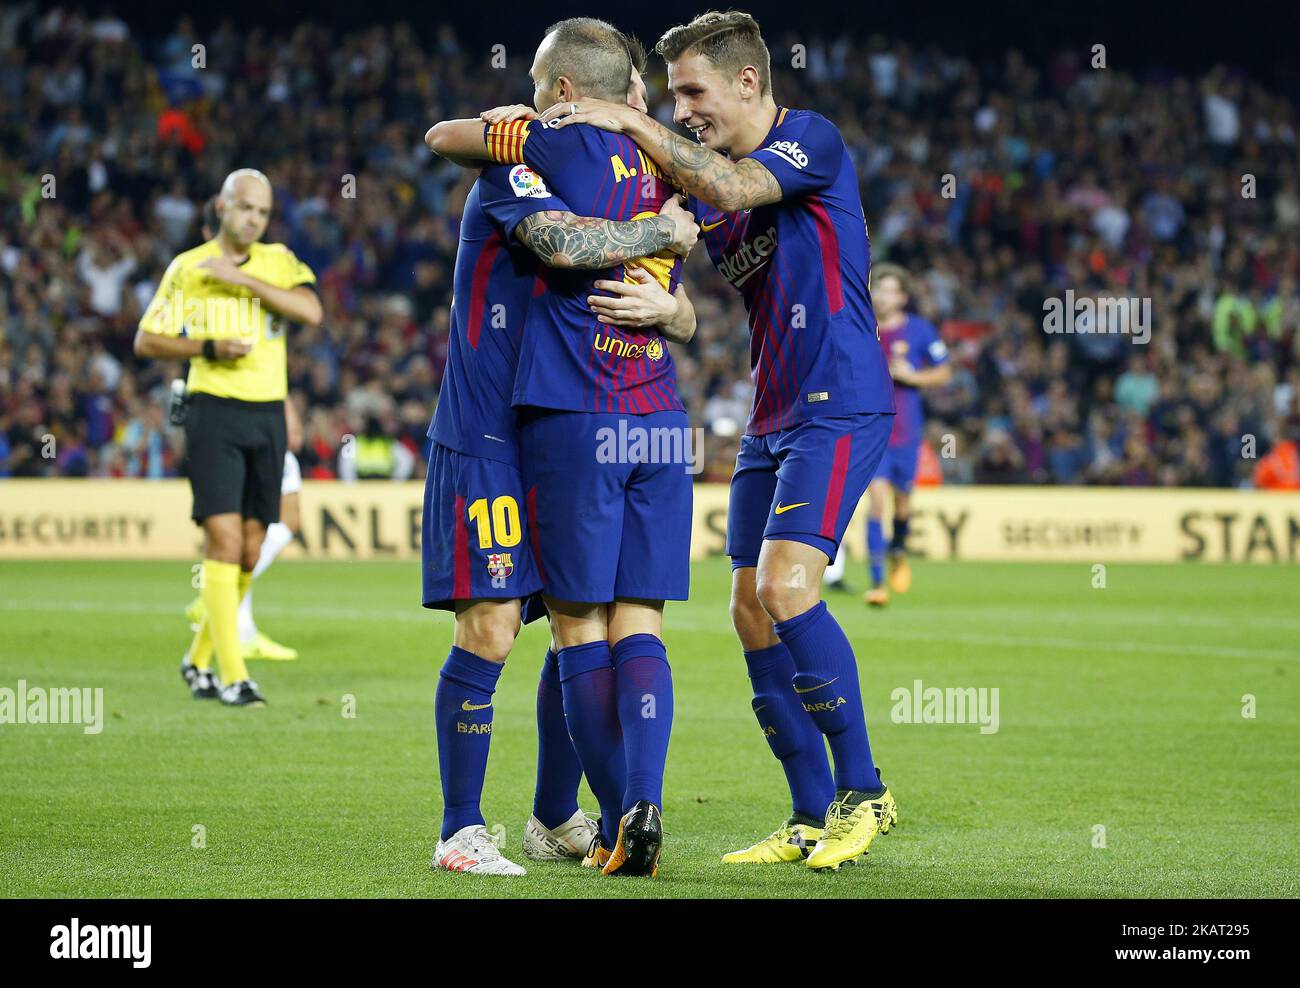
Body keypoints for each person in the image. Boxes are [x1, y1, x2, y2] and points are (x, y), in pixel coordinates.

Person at [542, 10, 899, 871]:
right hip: (773, 413)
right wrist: (672, 310)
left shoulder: (809, 140)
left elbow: (731, 193)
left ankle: (866, 791)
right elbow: (686, 276)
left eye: (692, 91)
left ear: (748, 82)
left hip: (840, 401)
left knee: (784, 587)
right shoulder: (712, 181)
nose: (683, 108)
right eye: (670, 95)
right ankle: (810, 814)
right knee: (747, 608)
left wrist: (629, 117)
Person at [426, 18, 699, 877]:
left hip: (554, 425)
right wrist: (664, 231)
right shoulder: (519, 158)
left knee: (570, 623)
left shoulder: (629, 162)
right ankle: (460, 829)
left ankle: (552, 815)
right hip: (485, 433)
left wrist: (680, 310)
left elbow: (667, 292)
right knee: (495, 627)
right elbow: (557, 241)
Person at [134, 169, 323, 707]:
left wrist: (242, 282)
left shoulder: (279, 262)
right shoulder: (187, 268)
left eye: (262, 213)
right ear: (222, 205)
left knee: (249, 549)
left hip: (266, 413)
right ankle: (233, 677)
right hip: (212, 411)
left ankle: (195, 661)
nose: (254, 220)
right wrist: (208, 348)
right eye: (245, 208)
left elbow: (311, 310)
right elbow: (147, 339)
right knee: (221, 541)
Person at [184, 196, 303, 661]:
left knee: (267, 529)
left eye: (261, 213)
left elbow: (276, 345)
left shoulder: (266, 272)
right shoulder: (196, 283)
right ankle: (231, 634)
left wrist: (286, 409)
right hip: (226, 417)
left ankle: (232, 626)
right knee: (240, 536)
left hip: (266, 414)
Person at [862, 263, 952, 607]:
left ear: (902, 297)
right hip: (873, 431)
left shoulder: (920, 330)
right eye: (877, 288)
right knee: (877, 499)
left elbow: (944, 372)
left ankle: (898, 549)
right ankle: (876, 582)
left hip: (906, 432)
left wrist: (913, 377)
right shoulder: (863, 326)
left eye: (888, 289)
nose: (880, 295)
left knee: (902, 504)